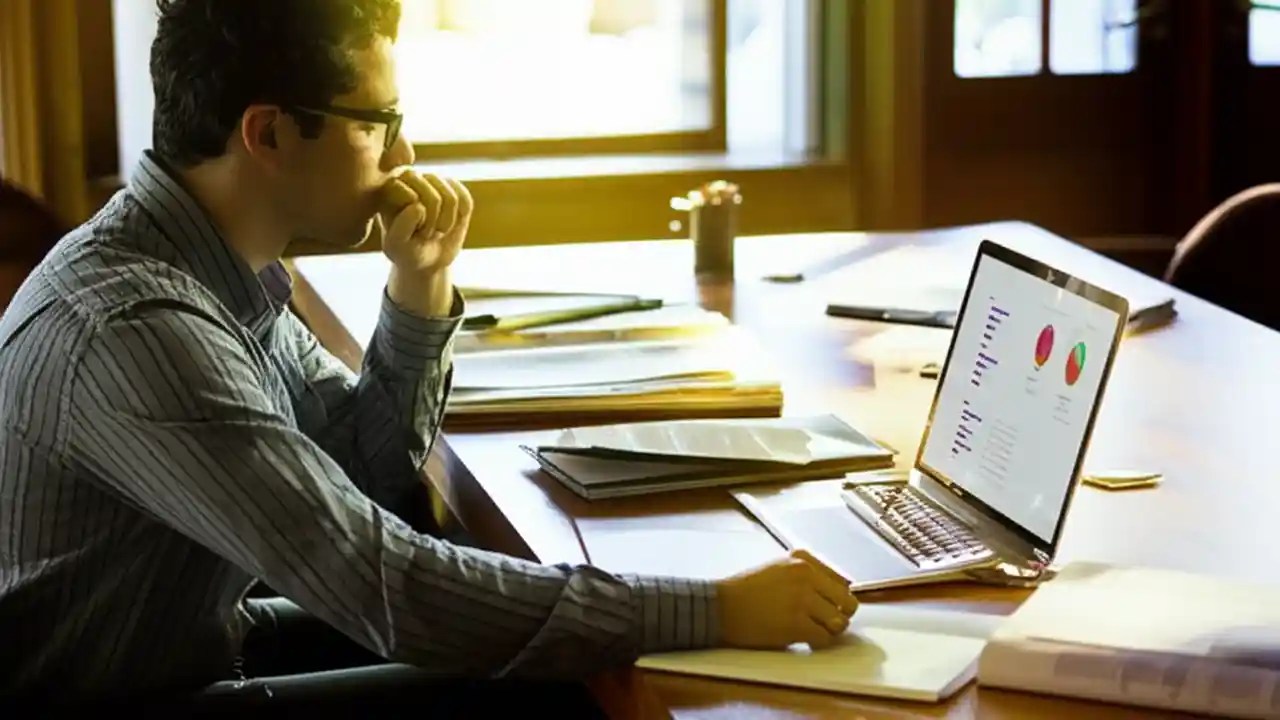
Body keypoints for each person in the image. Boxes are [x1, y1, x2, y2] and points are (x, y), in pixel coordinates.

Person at [0, 0, 858, 714]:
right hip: (118, 695)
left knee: (558, 634)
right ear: (266, 134)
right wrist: (713, 609)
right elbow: (384, 583)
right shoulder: (142, 327)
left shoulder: (218, 269)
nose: (405, 158)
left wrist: (420, 287)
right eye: (381, 124)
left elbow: (366, 473)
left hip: (177, 643)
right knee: (565, 689)